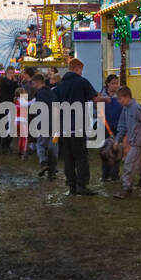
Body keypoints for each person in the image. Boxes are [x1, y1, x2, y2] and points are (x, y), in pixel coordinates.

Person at [51, 57, 98, 195]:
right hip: (78, 125)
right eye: (81, 70)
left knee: (68, 157)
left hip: (64, 127)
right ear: (77, 69)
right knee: (81, 156)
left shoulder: (59, 86)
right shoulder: (82, 82)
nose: (82, 73)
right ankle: (82, 185)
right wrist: (106, 100)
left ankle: (71, 185)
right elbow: (94, 98)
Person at [29, 73, 58, 179]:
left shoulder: (39, 94)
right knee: (53, 148)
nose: (32, 86)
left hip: (44, 124)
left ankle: (44, 163)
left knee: (40, 144)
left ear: (38, 82)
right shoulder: (52, 92)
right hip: (55, 124)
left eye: (33, 83)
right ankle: (53, 171)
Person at [100, 74, 122, 181]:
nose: (115, 86)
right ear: (107, 84)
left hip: (118, 128)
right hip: (105, 127)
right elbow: (97, 112)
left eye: (116, 83)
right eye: (113, 83)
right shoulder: (102, 97)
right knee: (105, 151)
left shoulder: (120, 97)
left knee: (116, 151)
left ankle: (115, 175)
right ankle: (105, 174)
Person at [0, 67, 19, 151]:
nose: (11, 74)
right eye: (9, 73)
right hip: (5, 105)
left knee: (11, 126)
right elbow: (8, 89)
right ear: (6, 73)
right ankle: (4, 145)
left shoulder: (13, 82)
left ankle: (7, 144)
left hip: (11, 105)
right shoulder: (4, 82)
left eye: (12, 73)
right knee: (5, 125)